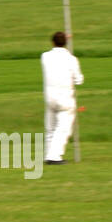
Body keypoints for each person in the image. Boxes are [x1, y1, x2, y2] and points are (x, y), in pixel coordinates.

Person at [41, 31, 83, 164]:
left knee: (50, 128)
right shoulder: (71, 59)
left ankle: (48, 154)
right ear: (66, 42)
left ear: (52, 42)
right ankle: (54, 156)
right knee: (62, 129)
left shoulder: (45, 56)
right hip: (65, 99)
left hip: (50, 98)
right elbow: (78, 80)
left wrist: (64, 39)